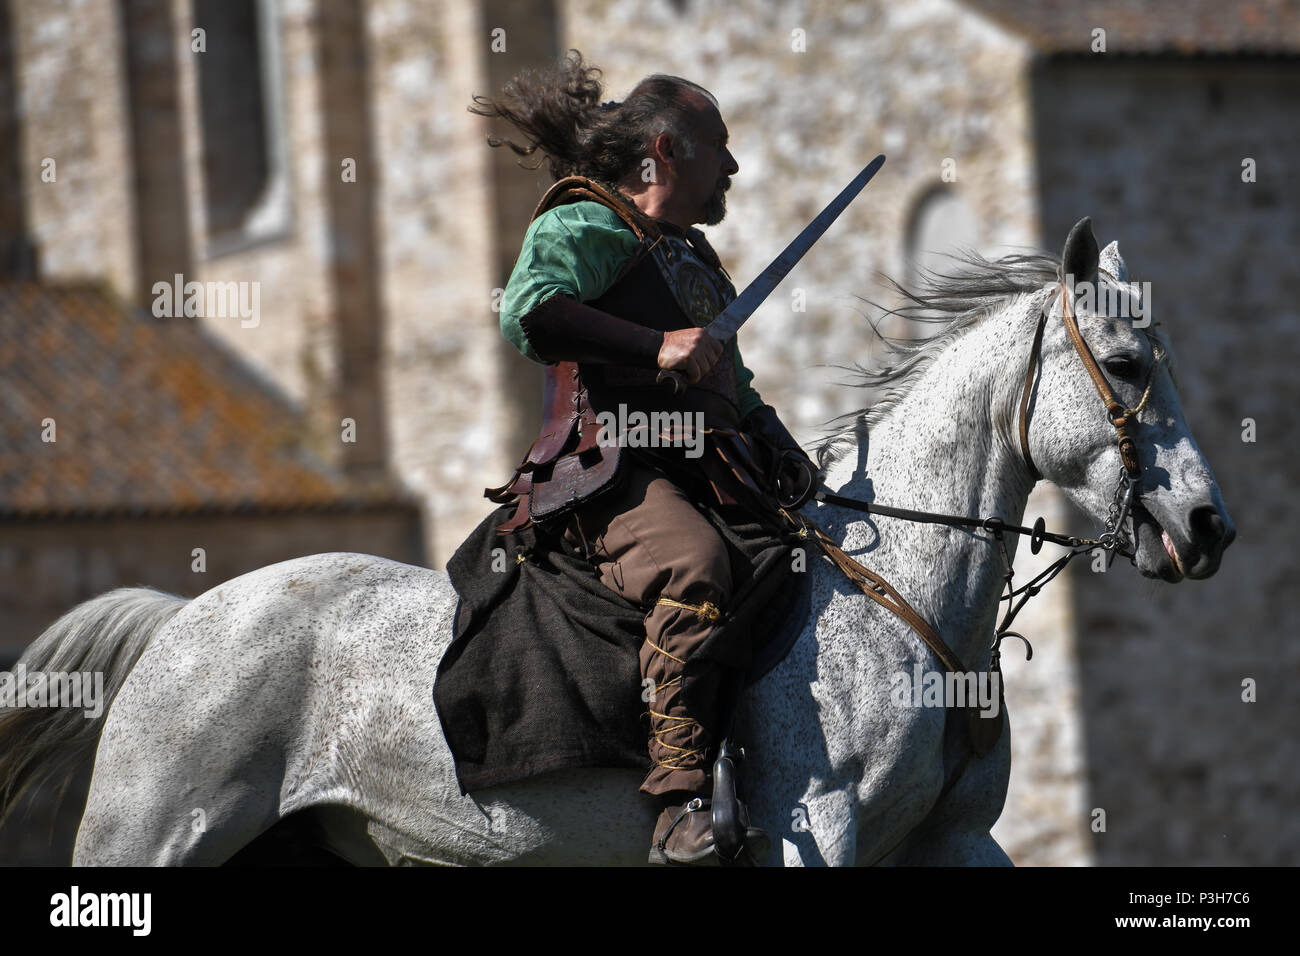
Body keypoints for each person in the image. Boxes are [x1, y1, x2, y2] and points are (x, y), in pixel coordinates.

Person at [472, 51, 817, 864]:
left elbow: (732, 382)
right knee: (692, 565)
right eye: (718, 144)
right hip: (610, 468)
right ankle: (678, 804)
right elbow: (530, 316)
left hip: (710, 464)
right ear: (664, 148)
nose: (733, 163)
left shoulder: (691, 255)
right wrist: (656, 345)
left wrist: (780, 443)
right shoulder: (585, 221)